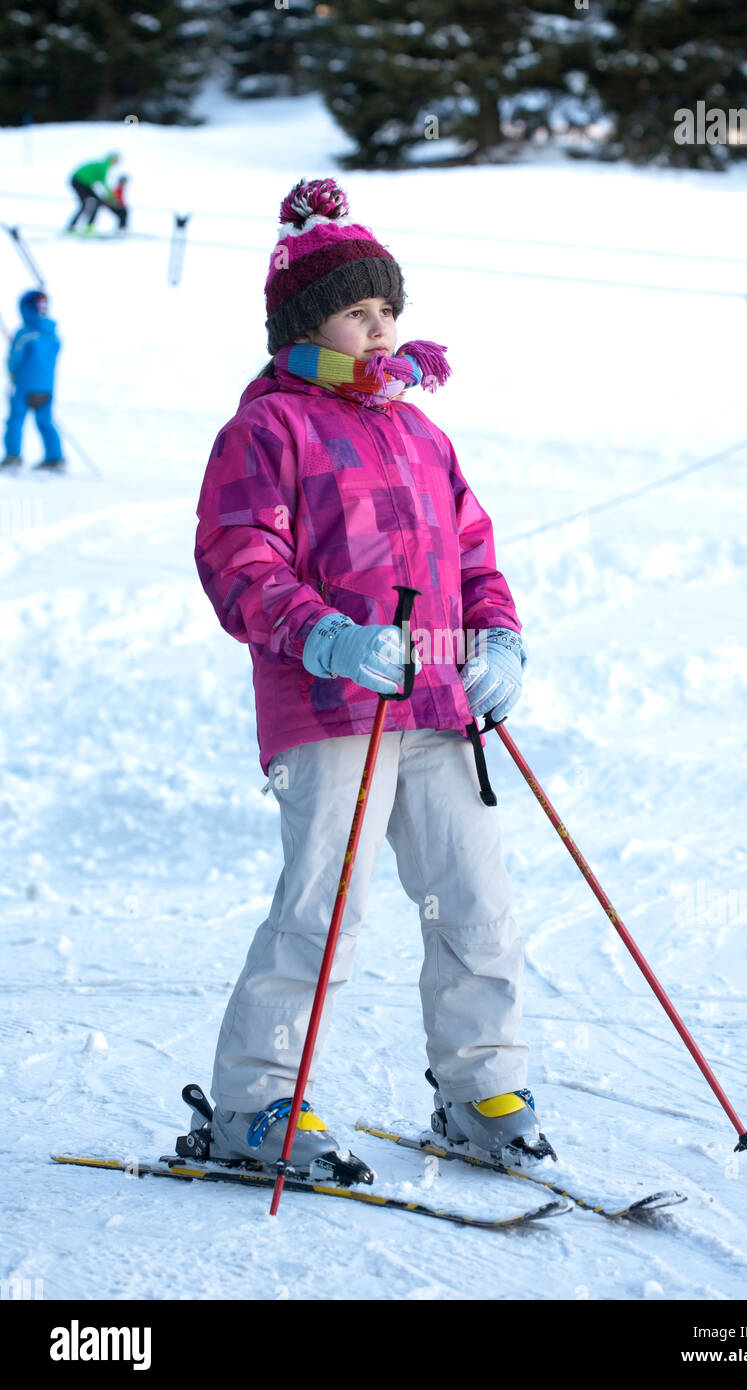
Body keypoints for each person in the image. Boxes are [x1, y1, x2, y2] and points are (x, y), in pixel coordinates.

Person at [192, 177, 553, 1180]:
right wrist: (326, 638)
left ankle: (480, 1087)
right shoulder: (267, 431)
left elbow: (474, 556)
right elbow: (240, 565)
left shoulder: (420, 432)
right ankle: (259, 1101)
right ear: (310, 322)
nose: (381, 326)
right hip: (330, 707)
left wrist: (498, 643)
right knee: (324, 907)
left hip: (440, 707)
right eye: (359, 310)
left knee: (472, 900)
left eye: (389, 308)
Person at [2, 290, 64, 470]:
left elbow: (15, 359)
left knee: (15, 420)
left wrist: (13, 373)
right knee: (45, 421)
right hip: (46, 388)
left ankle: (13, 456)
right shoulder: (52, 334)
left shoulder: (25, 334)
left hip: (25, 386)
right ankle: (55, 457)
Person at [65, 153, 121, 234]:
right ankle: (74, 227)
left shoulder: (102, 165)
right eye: (116, 160)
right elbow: (103, 183)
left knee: (95, 202)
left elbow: (99, 183)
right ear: (112, 159)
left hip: (84, 183)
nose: (117, 163)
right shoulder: (103, 166)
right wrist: (111, 197)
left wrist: (108, 196)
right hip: (79, 181)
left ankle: (87, 226)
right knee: (86, 204)